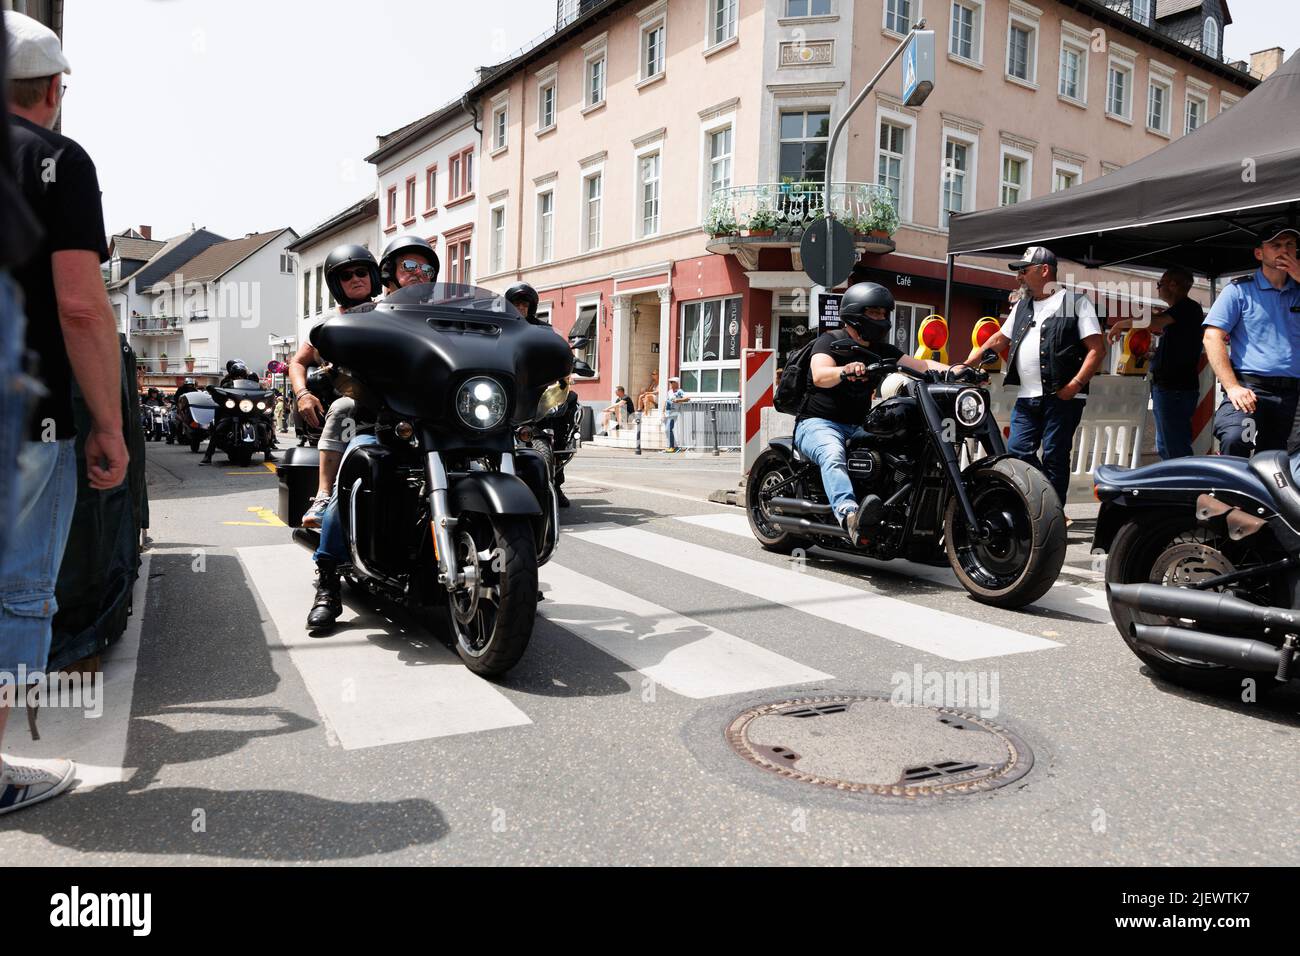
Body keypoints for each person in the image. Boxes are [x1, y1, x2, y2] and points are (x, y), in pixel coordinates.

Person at [2, 12, 129, 815]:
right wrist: (109, 425)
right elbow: (81, 308)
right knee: (17, 595)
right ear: (52, 90)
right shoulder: (54, 160)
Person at [306, 241, 439, 629]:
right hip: (382, 417)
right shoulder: (374, 314)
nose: (417, 274)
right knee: (357, 470)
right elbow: (320, 352)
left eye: (425, 268)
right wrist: (309, 386)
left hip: (434, 416)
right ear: (390, 273)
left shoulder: (442, 312)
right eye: (408, 266)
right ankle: (327, 579)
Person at [797, 282, 950, 538]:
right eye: (874, 313)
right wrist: (844, 370)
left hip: (859, 426)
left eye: (883, 314)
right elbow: (820, 374)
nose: (881, 319)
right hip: (818, 423)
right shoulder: (829, 341)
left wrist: (958, 370)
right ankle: (850, 515)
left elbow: (920, 365)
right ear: (856, 314)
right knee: (833, 454)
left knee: (903, 449)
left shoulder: (881, 351)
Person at [963, 246, 1105, 509]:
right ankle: (1042, 505)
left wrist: (1074, 385)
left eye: (1023, 271)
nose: (1018, 277)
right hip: (1028, 396)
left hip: (1062, 397)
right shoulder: (1022, 306)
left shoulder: (1076, 303)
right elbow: (998, 339)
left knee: (1055, 455)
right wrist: (965, 364)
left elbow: (1097, 349)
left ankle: (1053, 513)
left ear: (1044, 270)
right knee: (1017, 451)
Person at [291, 244, 384, 528]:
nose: (355, 279)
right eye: (346, 276)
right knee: (342, 408)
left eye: (361, 272)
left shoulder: (391, 311)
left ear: (373, 276)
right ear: (336, 284)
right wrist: (303, 394)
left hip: (396, 394)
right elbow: (296, 363)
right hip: (355, 398)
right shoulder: (329, 323)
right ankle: (323, 495)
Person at [1204, 226, 1300, 457]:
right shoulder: (1238, 291)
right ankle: (1228, 493)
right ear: (1259, 254)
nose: (1283, 251)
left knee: (1285, 458)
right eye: (1276, 246)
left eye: (1289, 245)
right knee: (1236, 438)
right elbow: (1212, 336)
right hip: (1251, 389)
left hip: (1295, 394)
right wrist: (1232, 387)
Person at [1107, 267, 1204, 459]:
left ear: (1173, 285)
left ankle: (1183, 486)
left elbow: (1154, 323)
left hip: (1175, 389)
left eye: (1159, 284)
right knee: (1166, 445)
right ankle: (1173, 486)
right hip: (1171, 388)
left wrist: (1120, 324)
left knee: (1174, 447)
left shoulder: (1187, 307)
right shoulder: (1183, 311)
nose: (1157, 289)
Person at [662, 376, 688, 452]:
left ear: (676, 383)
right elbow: (666, 401)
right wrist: (663, 412)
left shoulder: (680, 391)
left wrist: (678, 400)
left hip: (674, 412)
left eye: (672, 382)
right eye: (670, 382)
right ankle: (672, 446)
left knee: (668, 429)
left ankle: (672, 447)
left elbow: (687, 398)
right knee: (667, 430)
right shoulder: (669, 392)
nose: (671, 384)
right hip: (667, 412)